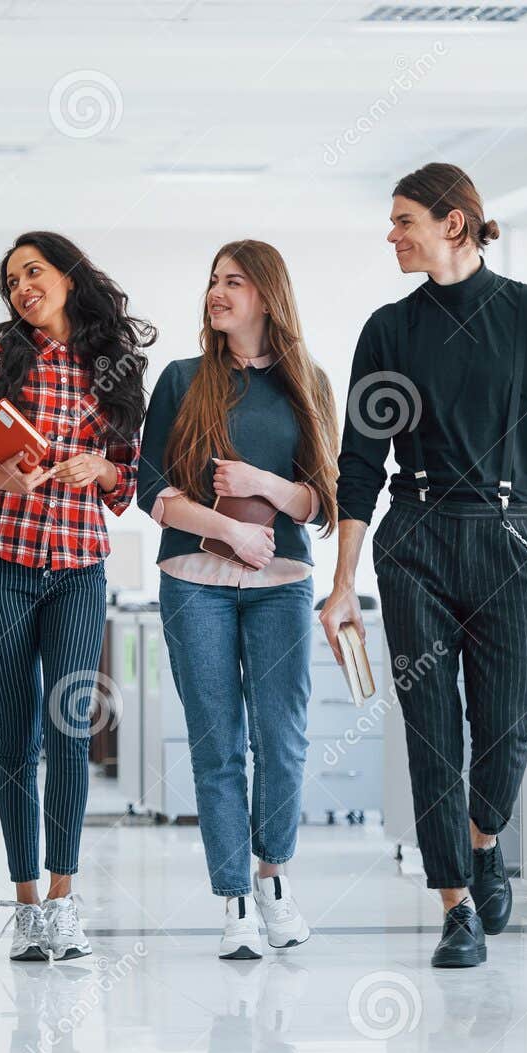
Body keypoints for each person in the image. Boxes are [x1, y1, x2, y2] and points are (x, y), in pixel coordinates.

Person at [319, 162, 527, 969]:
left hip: (510, 540)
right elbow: (360, 465)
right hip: (418, 544)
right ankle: (456, 906)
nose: (392, 235)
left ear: (455, 225)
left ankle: (483, 838)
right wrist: (342, 585)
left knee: (508, 724)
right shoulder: (389, 330)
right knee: (431, 732)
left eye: (405, 221)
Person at [0, 231, 154, 962]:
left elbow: (126, 483)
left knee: (70, 727)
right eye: (10, 280)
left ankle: (64, 903)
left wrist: (99, 465)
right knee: (18, 733)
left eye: (32, 272)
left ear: (68, 275)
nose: (21, 288)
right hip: (4, 565)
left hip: (78, 567)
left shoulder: (114, 370)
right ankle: (27, 902)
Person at [137, 240, 337, 959]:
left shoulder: (306, 381)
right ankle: (234, 901)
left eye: (234, 282)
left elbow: (323, 500)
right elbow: (148, 490)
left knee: (281, 740)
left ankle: (273, 877)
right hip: (195, 581)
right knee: (216, 743)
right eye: (213, 281)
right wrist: (227, 528)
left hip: (281, 585)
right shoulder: (183, 379)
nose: (218, 293)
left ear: (267, 296)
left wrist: (262, 486)